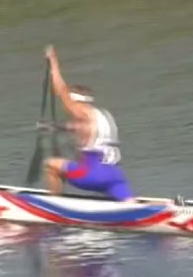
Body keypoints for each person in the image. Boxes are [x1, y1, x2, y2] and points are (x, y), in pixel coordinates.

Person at [41, 45, 134, 201]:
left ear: (76, 100)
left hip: (93, 174)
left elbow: (60, 90)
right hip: (115, 175)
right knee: (132, 204)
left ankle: (53, 205)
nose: (66, 105)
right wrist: (55, 127)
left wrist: (53, 61)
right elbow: (80, 129)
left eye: (69, 100)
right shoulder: (103, 115)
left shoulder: (80, 111)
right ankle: (177, 211)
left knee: (51, 164)